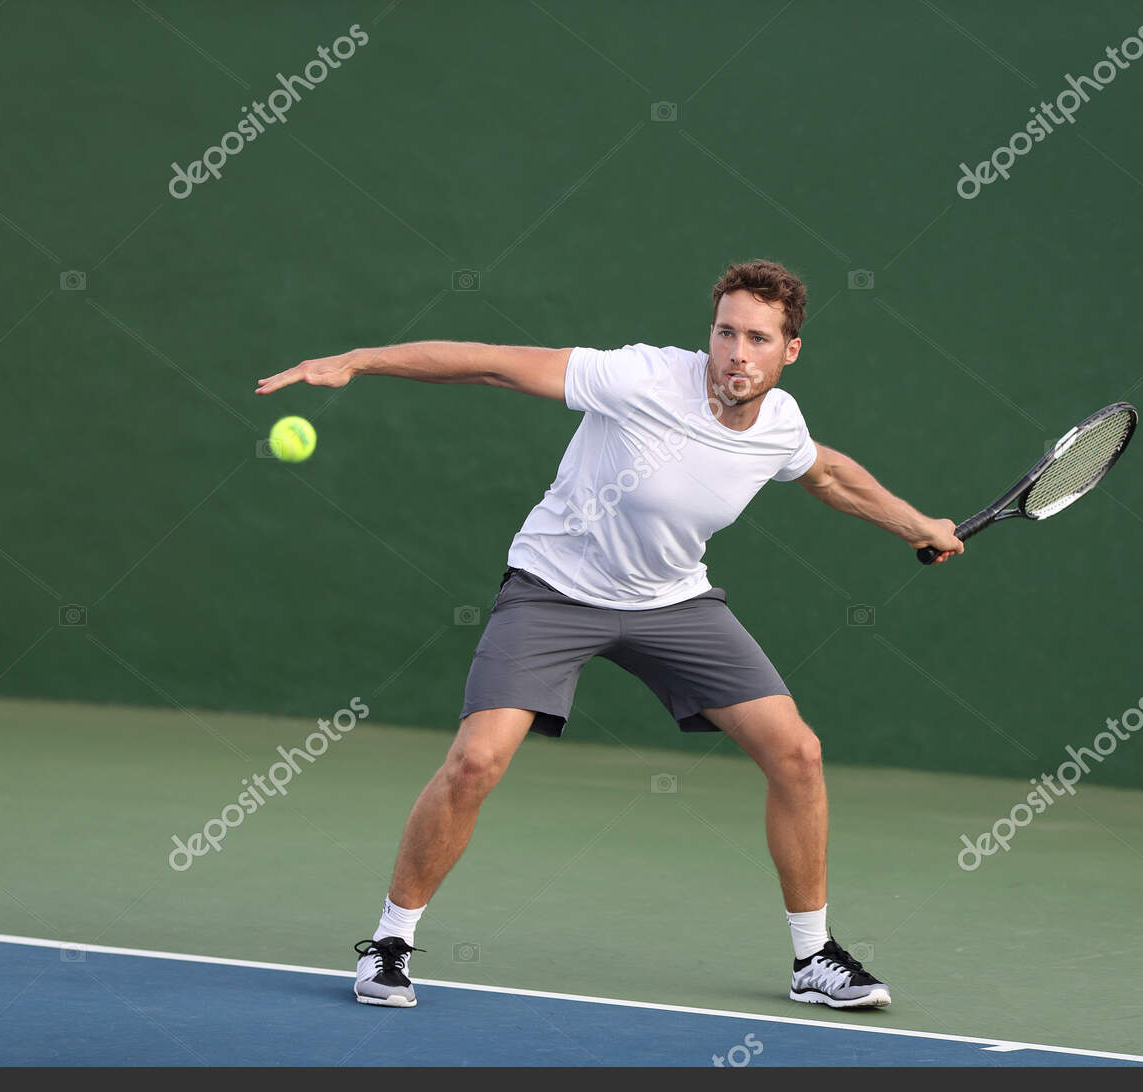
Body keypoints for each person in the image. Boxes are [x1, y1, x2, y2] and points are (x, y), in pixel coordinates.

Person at [256, 259, 962, 1011]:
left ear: (790, 350)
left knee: (798, 753)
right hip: (554, 588)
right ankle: (390, 943)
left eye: (758, 339)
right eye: (725, 332)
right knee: (476, 760)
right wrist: (358, 360)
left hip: (672, 603)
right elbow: (494, 365)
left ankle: (813, 957)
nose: (736, 353)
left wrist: (918, 526)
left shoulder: (780, 425)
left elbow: (829, 474)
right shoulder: (640, 378)